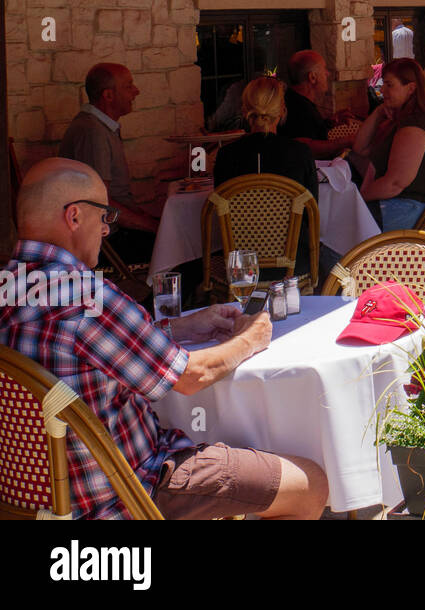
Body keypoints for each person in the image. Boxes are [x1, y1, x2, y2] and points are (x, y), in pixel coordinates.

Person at [0, 158, 329, 519]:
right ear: (74, 216)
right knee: (310, 482)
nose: (106, 230)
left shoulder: (10, 288)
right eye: (104, 216)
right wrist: (250, 337)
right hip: (131, 491)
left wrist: (179, 328)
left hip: (40, 502)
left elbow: (78, 348)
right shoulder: (88, 297)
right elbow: (192, 377)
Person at [214, 77, 319, 279]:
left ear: (245, 111)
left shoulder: (226, 156)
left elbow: (221, 215)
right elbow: (311, 213)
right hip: (292, 267)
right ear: (282, 111)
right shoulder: (301, 154)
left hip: (240, 267)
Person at [57, 63, 158, 266]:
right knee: (186, 247)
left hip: (114, 234)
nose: (136, 91)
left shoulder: (100, 127)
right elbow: (98, 203)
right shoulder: (92, 132)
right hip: (107, 243)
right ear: (108, 95)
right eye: (128, 86)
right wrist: (152, 226)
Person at [353, 58, 425, 230]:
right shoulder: (402, 120)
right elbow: (360, 148)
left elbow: (394, 184)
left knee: (334, 224)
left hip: (408, 211)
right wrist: (378, 112)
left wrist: (357, 198)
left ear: (411, 88)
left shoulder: (414, 127)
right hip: (400, 206)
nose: (382, 90)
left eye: (389, 85)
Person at [282, 50, 354, 158]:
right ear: (312, 77)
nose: (327, 74)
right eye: (324, 69)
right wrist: (346, 141)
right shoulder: (298, 108)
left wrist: (328, 123)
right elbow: (305, 148)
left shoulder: (294, 100)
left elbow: (309, 132)